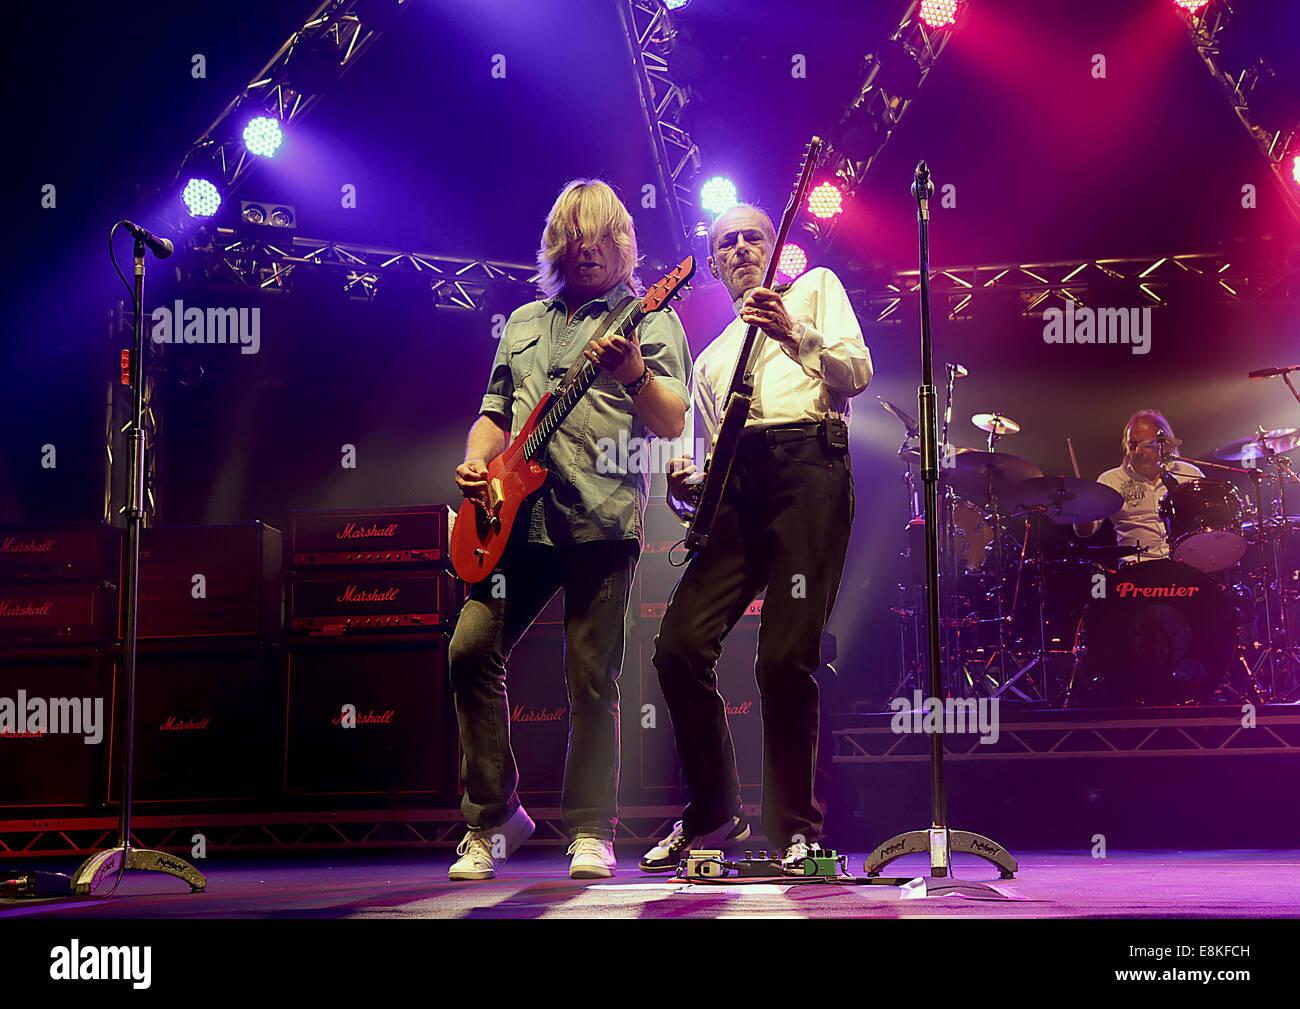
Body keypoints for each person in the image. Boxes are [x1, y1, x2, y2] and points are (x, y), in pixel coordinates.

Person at [447, 180, 691, 881]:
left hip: (601, 518)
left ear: (623, 243)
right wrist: (474, 460)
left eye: (600, 235)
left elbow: (673, 419)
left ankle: (590, 829)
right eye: (572, 235)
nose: (586, 247)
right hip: (512, 520)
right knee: (469, 650)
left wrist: (636, 372)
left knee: (591, 679)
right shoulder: (523, 320)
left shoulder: (647, 314)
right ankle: (494, 820)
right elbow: (494, 412)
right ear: (556, 243)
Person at [640, 203, 872, 873]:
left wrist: (796, 331)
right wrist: (691, 490)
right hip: (740, 488)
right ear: (713, 264)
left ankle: (796, 827)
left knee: (782, 657)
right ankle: (712, 812)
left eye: (753, 238)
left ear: (775, 249)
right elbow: (711, 463)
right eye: (727, 243)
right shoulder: (712, 358)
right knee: (678, 646)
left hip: (810, 469)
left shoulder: (816, 288)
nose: (741, 248)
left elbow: (856, 373)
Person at [1072, 409, 1203, 560]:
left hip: (1185, 563)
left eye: (1146, 444)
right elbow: (1085, 532)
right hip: (1135, 568)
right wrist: (1080, 510)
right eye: (1133, 445)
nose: (1139, 451)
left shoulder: (1189, 474)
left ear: (1164, 442)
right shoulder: (1111, 480)